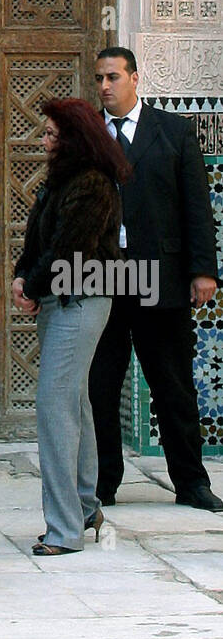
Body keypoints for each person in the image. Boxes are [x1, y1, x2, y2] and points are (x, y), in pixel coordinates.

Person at [89, 47, 222, 511]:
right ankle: (104, 482)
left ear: (135, 78)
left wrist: (204, 270)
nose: (105, 86)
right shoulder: (88, 138)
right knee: (100, 385)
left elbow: (196, 207)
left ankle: (191, 482)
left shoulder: (173, 131)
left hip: (159, 279)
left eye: (113, 77)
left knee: (172, 384)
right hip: (102, 278)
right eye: (100, 78)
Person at [12, 99, 129, 555]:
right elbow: (38, 237)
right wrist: (25, 278)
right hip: (57, 299)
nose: (43, 142)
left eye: (51, 136)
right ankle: (83, 507)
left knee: (54, 407)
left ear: (73, 141)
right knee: (74, 402)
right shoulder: (59, 181)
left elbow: (68, 250)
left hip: (81, 300)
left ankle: (64, 530)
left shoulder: (94, 185)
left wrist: (32, 286)